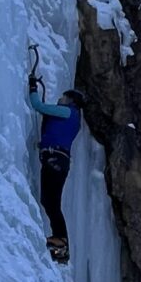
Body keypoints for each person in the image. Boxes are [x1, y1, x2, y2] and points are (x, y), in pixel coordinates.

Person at [28, 65, 84, 264]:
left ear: (71, 101)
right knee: (49, 201)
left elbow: (40, 107)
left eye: (63, 97)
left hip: (54, 159)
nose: (60, 99)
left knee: (50, 201)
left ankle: (61, 241)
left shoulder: (69, 112)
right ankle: (61, 243)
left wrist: (32, 88)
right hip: (57, 159)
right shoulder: (72, 118)